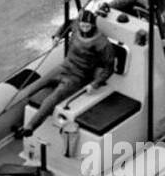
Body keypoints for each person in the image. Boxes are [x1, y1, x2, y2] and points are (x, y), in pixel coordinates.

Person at [14, 8, 116, 137]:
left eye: (88, 25)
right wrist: (57, 36)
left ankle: (30, 127)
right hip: (64, 67)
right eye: (82, 25)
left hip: (77, 76)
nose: (84, 28)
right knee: (35, 86)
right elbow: (67, 23)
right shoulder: (75, 26)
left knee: (52, 99)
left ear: (93, 25)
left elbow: (109, 67)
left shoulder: (102, 42)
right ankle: (20, 119)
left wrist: (95, 84)